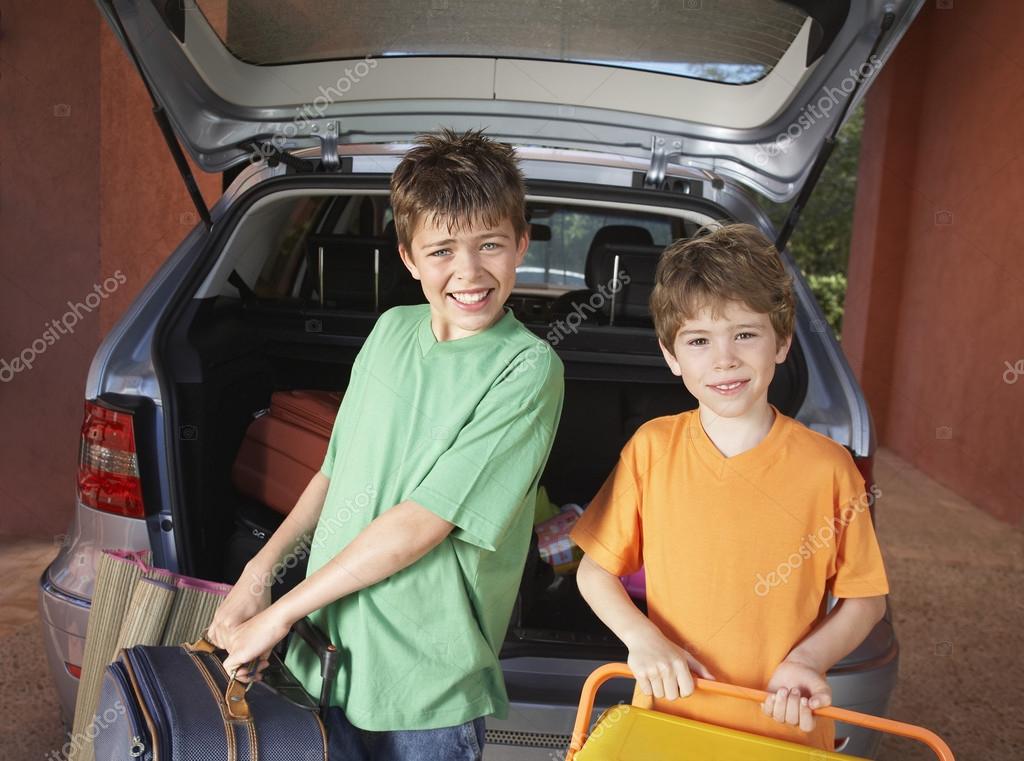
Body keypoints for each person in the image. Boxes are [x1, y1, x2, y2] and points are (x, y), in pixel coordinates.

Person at [208, 128, 564, 761]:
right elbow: (334, 470)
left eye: (490, 245)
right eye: (442, 250)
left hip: (422, 684)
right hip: (328, 659)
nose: (469, 272)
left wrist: (279, 612)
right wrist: (257, 576)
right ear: (407, 256)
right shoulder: (390, 330)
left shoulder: (527, 368)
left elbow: (422, 523)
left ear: (522, 245)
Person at [570, 223, 889, 751]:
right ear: (672, 357)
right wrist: (644, 641)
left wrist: (809, 661)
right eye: (698, 340)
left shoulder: (829, 468)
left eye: (745, 333)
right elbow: (594, 572)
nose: (725, 359)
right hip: (669, 714)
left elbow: (865, 600)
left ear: (782, 341)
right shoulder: (652, 449)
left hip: (783, 723)